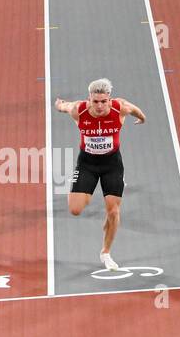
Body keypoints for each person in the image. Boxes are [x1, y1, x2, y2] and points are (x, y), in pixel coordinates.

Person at [54, 79, 146, 271]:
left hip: (112, 165)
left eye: (103, 101)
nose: (99, 106)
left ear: (109, 99)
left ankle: (106, 252)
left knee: (113, 211)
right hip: (87, 164)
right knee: (75, 209)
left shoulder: (120, 108)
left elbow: (136, 110)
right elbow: (65, 107)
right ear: (89, 99)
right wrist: (59, 105)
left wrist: (142, 118)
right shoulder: (78, 110)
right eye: (95, 101)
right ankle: (89, 192)